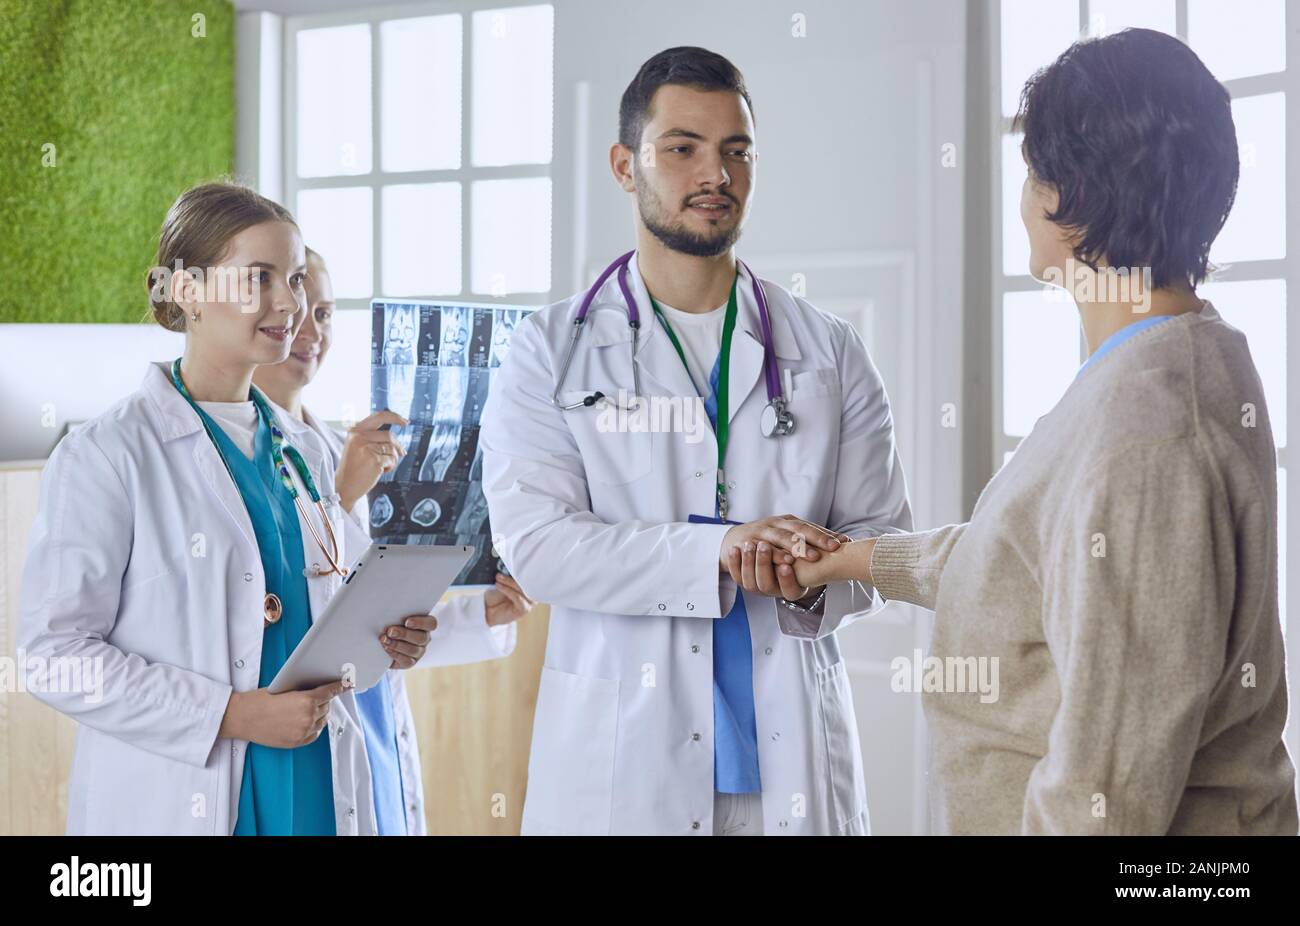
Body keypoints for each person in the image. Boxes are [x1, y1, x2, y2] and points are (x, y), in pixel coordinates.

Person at [793, 29, 1298, 835]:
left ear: (1074, 194)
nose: (1024, 195)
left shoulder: (1149, 434)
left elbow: (1108, 797)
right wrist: (856, 558)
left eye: (1033, 172)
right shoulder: (1170, 361)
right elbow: (1032, 561)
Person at [481, 47, 911, 836]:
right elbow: (539, 547)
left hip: (790, 762)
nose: (714, 173)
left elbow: (882, 543)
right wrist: (716, 551)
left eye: (735, 151)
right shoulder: (549, 349)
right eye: (682, 148)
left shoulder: (829, 349)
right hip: (625, 768)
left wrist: (812, 580)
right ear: (624, 164)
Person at [18, 182, 437, 835]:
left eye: (294, 278)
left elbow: (317, 613)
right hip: (190, 789)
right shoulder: (108, 454)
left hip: (316, 776)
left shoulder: (304, 450)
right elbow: (53, 655)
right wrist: (230, 714)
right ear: (186, 291)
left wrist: (385, 640)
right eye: (259, 277)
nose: (289, 303)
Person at [252, 247, 532, 835]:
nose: (311, 331)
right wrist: (345, 497)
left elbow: (381, 633)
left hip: (372, 725)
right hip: (292, 738)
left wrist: (484, 613)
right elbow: (297, 615)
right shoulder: (261, 464)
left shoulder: (345, 446)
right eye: (301, 310)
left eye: (325, 314)